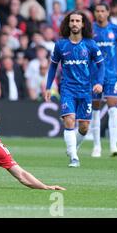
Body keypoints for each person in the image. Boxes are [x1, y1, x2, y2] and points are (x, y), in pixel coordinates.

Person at [45, 11, 105, 168]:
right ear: (68, 23)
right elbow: (53, 66)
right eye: (72, 21)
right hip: (67, 89)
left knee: (84, 127)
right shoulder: (60, 45)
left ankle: (72, 149)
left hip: (86, 90)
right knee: (69, 120)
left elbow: (101, 65)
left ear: (83, 24)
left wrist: (99, 83)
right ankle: (73, 157)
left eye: (78, 21)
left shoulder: (90, 44)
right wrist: (48, 86)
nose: (75, 23)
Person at [88, 3, 117, 157]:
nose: (100, 14)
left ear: (108, 12)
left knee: (113, 107)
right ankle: (97, 146)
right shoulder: (90, 30)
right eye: (97, 11)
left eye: (102, 11)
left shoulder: (116, 29)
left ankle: (113, 146)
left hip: (111, 75)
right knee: (95, 109)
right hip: (95, 76)